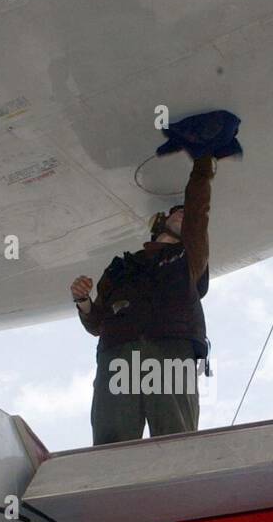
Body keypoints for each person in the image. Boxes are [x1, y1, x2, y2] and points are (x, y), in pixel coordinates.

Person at [71, 154, 215, 444]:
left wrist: (203, 164)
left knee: (175, 439)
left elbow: (199, 211)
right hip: (118, 354)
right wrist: (83, 300)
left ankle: (177, 488)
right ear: (161, 222)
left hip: (170, 350)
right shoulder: (120, 267)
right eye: (177, 212)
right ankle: (112, 489)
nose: (183, 214)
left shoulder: (188, 257)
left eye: (186, 215)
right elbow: (96, 324)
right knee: (111, 444)